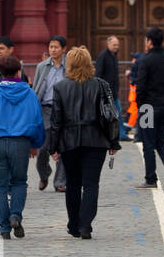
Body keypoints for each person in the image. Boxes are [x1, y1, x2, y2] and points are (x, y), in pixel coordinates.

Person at [50, 46, 121, 238]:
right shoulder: (100, 85)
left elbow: (56, 120)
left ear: (69, 64)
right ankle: (85, 225)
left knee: (72, 184)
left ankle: (74, 224)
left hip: (69, 141)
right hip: (96, 140)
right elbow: (110, 115)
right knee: (91, 184)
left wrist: (53, 146)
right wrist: (113, 141)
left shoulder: (60, 87)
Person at [0, 54, 46, 239]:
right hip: (21, 143)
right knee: (19, 182)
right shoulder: (29, 93)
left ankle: (4, 228)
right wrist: (35, 144)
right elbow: (37, 121)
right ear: (19, 71)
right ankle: (15, 215)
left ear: (0, 73)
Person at [134, 27, 164, 191]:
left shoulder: (145, 61)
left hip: (147, 107)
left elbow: (140, 86)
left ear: (149, 41)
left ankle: (150, 178)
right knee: (160, 142)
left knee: (147, 143)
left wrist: (140, 105)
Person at [33, 36, 70, 192]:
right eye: (51, 47)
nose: (53, 50)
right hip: (45, 110)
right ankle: (44, 173)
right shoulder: (42, 66)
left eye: (56, 47)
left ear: (63, 49)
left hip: (64, 111)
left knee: (63, 146)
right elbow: (36, 87)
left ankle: (60, 182)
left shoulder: (69, 66)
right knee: (43, 148)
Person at [93, 36, 119, 133]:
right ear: (108, 44)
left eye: (117, 45)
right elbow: (98, 74)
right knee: (108, 114)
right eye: (114, 45)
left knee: (117, 113)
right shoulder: (103, 56)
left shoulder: (114, 56)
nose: (116, 47)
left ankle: (120, 134)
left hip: (114, 92)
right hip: (105, 92)